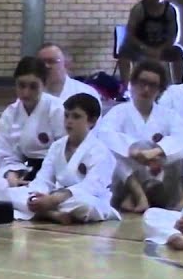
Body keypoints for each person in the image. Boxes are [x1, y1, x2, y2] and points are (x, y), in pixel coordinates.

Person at [0, 57, 65, 202]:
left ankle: (37, 202)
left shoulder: (56, 109)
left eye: (33, 87)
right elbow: (3, 151)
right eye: (21, 85)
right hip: (23, 172)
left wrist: (45, 177)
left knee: (37, 194)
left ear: (44, 85)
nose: (26, 92)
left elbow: (65, 152)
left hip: (52, 175)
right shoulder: (11, 112)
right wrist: (11, 174)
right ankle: (25, 200)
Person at [95, 60, 183, 213]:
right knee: (111, 153)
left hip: (160, 181)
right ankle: (138, 194)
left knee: (176, 155)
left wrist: (157, 152)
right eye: (142, 82)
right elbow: (104, 135)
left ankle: (141, 194)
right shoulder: (118, 112)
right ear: (132, 84)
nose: (146, 89)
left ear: (160, 90)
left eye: (153, 85)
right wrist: (133, 151)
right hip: (123, 183)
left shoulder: (169, 116)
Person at [9, 93, 120, 225]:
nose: (69, 121)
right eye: (66, 115)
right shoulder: (57, 146)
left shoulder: (100, 150)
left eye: (76, 116)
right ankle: (49, 213)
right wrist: (39, 195)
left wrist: (56, 199)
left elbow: (93, 186)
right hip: (54, 197)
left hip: (85, 198)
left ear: (92, 121)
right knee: (9, 194)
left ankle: (44, 211)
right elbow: (44, 179)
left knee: (86, 205)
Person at [120, 0, 183, 83]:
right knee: (124, 52)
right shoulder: (139, 9)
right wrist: (144, 48)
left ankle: (180, 87)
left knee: (178, 52)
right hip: (140, 46)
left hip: (162, 47)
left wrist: (160, 50)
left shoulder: (170, 10)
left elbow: (173, 36)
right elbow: (130, 34)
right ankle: (124, 88)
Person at [36, 43, 102, 104]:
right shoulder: (31, 93)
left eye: (51, 61)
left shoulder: (86, 93)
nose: (46, 66)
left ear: (66, 64)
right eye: (41, 62)